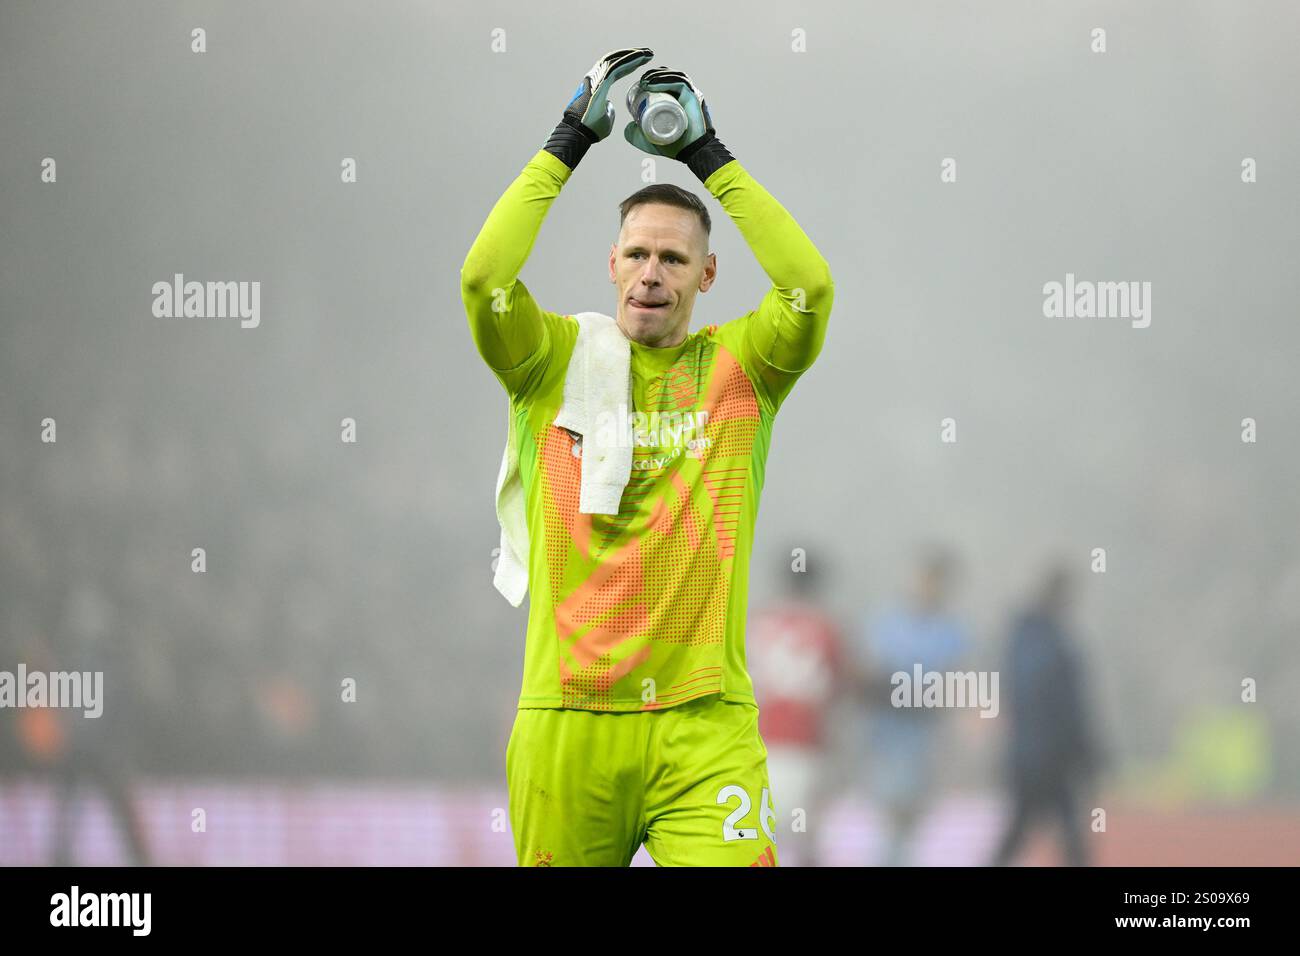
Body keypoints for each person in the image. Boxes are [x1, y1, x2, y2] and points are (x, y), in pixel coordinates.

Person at [461, 49, 834, 866]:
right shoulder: (548, 363)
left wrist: (710, 158)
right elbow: (484, 278)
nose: (651, 274)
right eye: (636, 254)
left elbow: (809, 285)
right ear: (611, 266)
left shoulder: (743, 372)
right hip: (569, 724)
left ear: (707, 273)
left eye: (672, 258)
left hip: (705, 730)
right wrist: (567, 142)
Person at [855, 547, 966, 866]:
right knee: (890, 815)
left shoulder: (951, 631)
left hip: (924, 739)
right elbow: (868, 676)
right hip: (886, 737)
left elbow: (952, 686)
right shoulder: (888, 622)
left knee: (910, 820)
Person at [989, 565, 1102, 866]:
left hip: (1034, 755)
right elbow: (1066, 707)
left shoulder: (1025, 639)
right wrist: (1085, 750)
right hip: (1045, 757)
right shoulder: (1049, 643)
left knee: (1028, 829)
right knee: (1057, 831)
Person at [749, 552, 845, 866]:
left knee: (754, 835)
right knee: (806, 839)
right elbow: (836, 686)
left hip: (758, 742)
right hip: (805, 745)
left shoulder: (759, 623)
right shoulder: (825, 629)